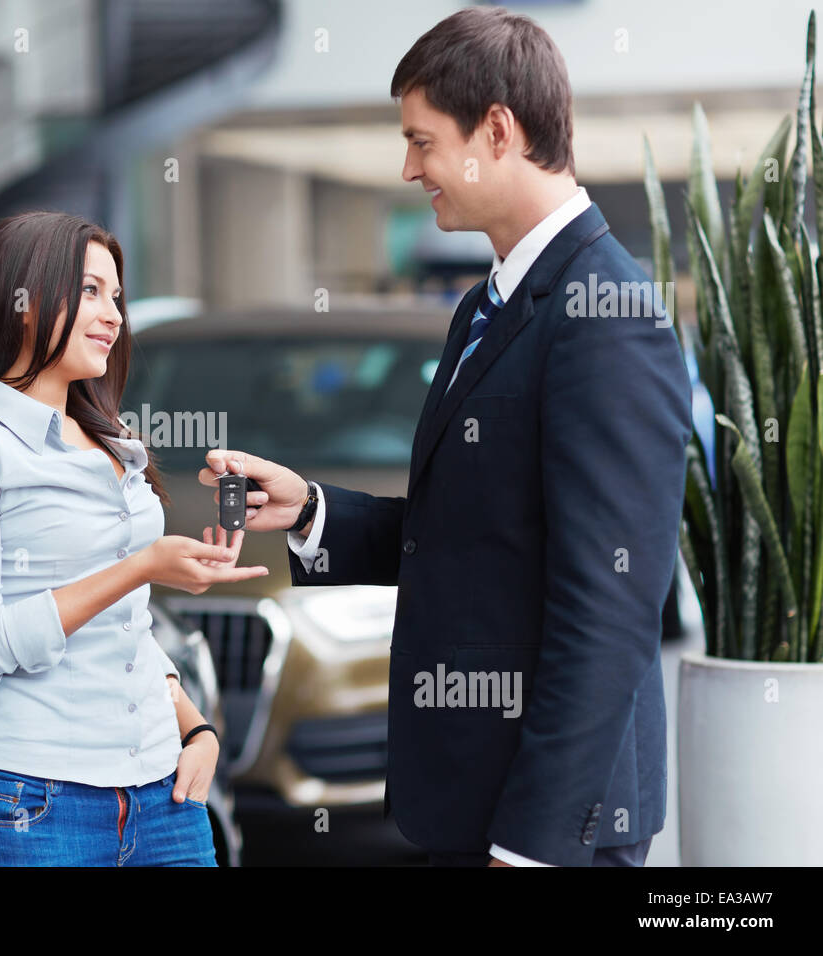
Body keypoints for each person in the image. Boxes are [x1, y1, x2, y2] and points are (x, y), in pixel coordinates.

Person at [197, 7, 691, 867]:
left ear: (496, 131)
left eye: (422, 141)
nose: (408, 166)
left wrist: (531, 847)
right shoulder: (485, 304)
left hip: (549, 827)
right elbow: (476, 534)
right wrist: (316, 510)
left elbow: (609, 610)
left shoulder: (606, 317)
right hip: (473, 798)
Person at [0, 210, 269, 866]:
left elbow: (127, 629)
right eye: (91, 292)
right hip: (29, 801)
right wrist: (140, 567)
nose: (115, 315)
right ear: (24, 299)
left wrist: (198, 728)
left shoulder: (113, 439)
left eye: (118, 297)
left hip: (163, 794)